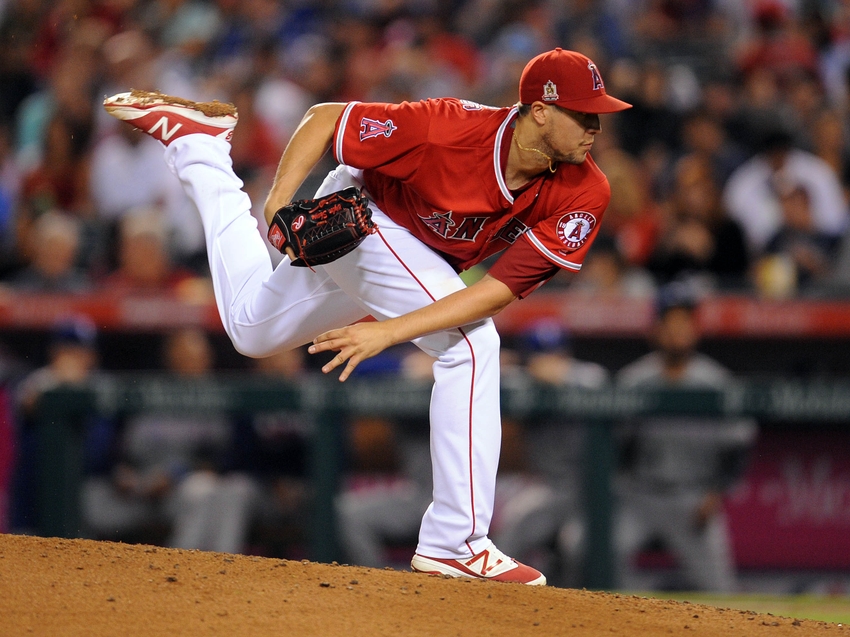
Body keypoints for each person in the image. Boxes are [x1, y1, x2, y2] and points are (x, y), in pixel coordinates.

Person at [102, 47, 632, 585]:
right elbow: (326, 118)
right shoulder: (447, 128)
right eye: (582, 113)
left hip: (407, 259)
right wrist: (277, 204)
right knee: (473, 347)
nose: (595, 126)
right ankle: (456, 542)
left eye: (597, 114)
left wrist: (392, 331)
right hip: (361, 216)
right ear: (539, 110)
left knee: (251, 331)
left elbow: (495, 292)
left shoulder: (586, 190)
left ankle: (200, 147)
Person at [613, 284, 757, 592]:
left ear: (695, 330)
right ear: (656, 330)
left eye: (685, 322)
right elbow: (614, 447)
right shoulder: (634, 381)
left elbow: (739, 446)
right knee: (596, 554)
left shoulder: (716, 383)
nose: (678, 330)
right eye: (670, 322)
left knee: (721, 590)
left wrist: (715, 494)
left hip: (693, 500)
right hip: (640, 496)